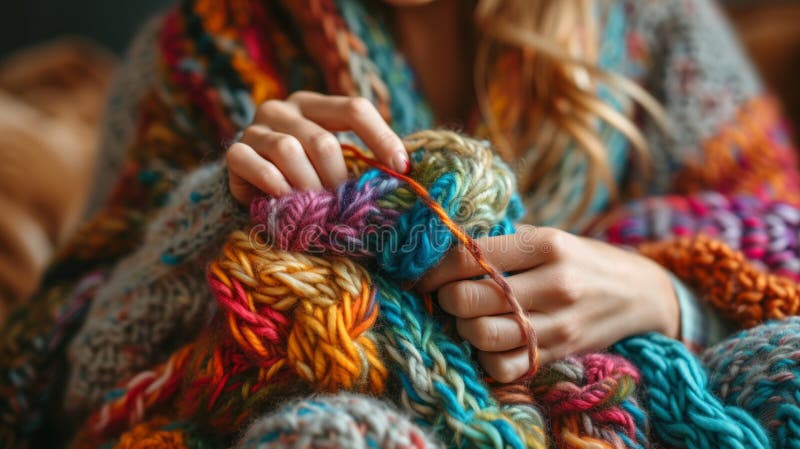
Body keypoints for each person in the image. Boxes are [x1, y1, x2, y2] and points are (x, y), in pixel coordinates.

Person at [3, 0, 799, 446]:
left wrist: (667, 293)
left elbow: (779, 224)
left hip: (642, 395)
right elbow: (61, 370)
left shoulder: (654, 25)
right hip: (347, 407)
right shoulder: (198, 54)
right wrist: (213, 215)